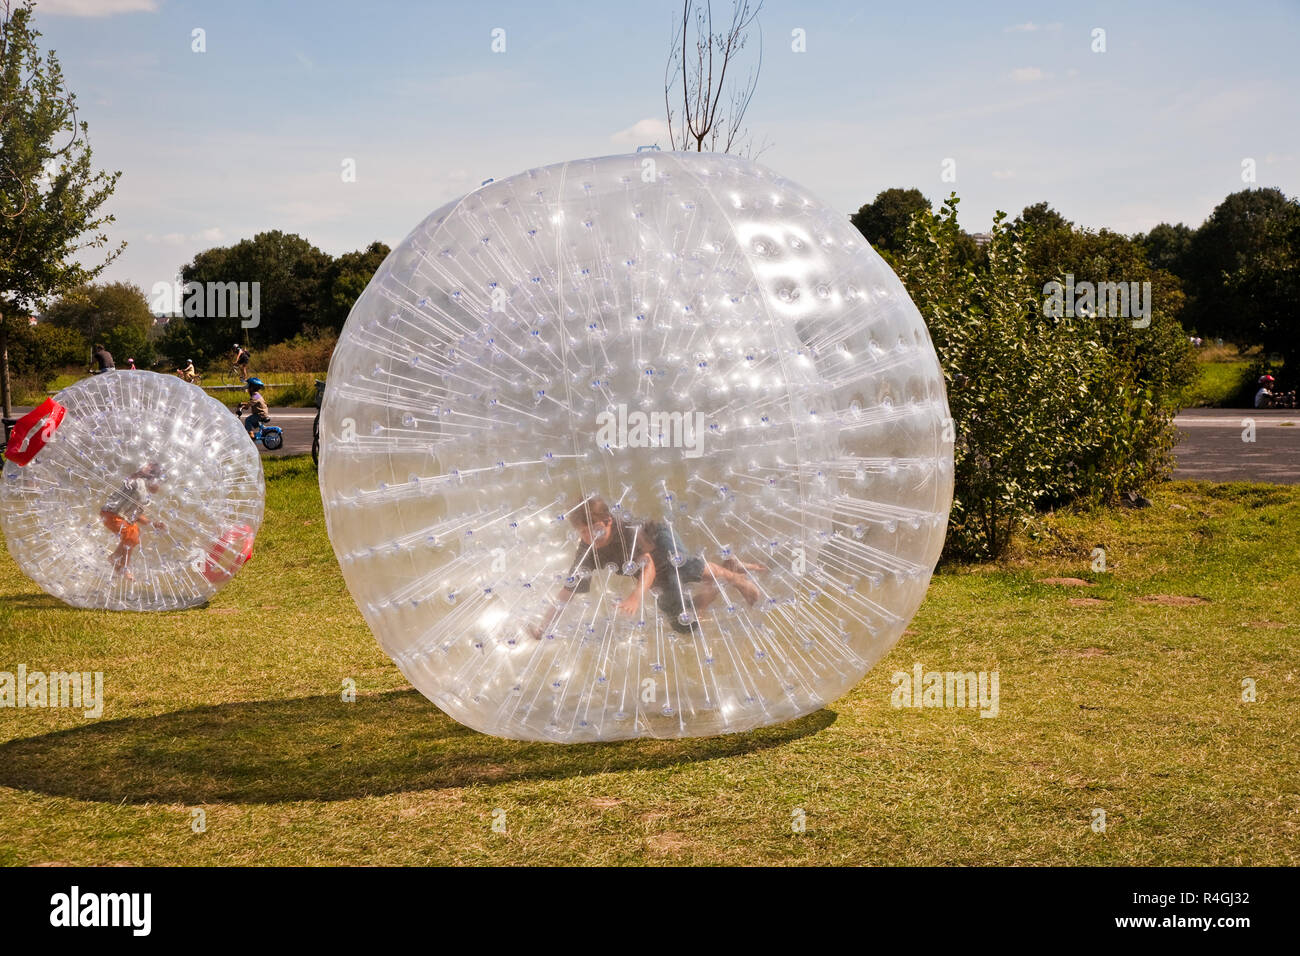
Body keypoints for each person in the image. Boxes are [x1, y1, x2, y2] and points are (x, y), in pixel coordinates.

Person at [531, 496, 765, 638]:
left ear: (609, 521)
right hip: (647, 561)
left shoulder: (626, 534)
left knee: (680, 565)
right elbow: (567, 591)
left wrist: (635, 597)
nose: (590, 535)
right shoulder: (587, 550)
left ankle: (737, 579)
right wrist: (543, 627)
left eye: (594, 528)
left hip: (658, 540)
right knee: (684, 623)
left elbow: (649, 567)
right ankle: (728, 569)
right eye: (582, 532)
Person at [99, 462, 167, 580]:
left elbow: (136, 515)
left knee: (135, 534)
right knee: (130, 536)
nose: (159, 486)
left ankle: (117, 561)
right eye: (159, 482)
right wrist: (140, 472)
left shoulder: (145, 496)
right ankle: (120, 564)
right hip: (111, 514)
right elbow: (128, 480)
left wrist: (153, 524)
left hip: (123, 518)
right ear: (152, 479)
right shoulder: (137, 482)